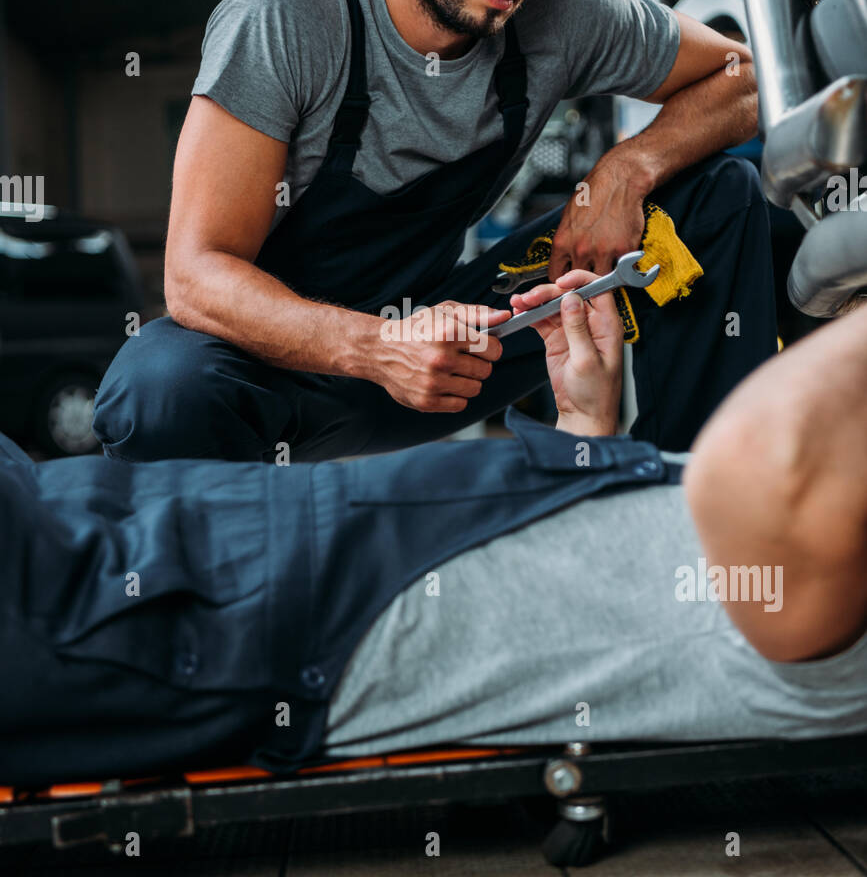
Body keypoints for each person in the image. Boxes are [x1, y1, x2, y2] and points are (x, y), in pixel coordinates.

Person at [91, 0, 774, 464]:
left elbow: (743, 77)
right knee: (158, 388)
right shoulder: (289, 12)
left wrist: (625, 171)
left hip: (451, 357)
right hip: (264, 371)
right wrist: (379, 347)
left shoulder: (559, 10)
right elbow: (193, 274)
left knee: (716, 196)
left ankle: (695, 503)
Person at [3, 274, 865, 789]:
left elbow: (765, 461)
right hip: (159, 543)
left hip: (163, 612)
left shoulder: (809, 634)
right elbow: (597, 606)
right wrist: (587, 443)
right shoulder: (765, 568)